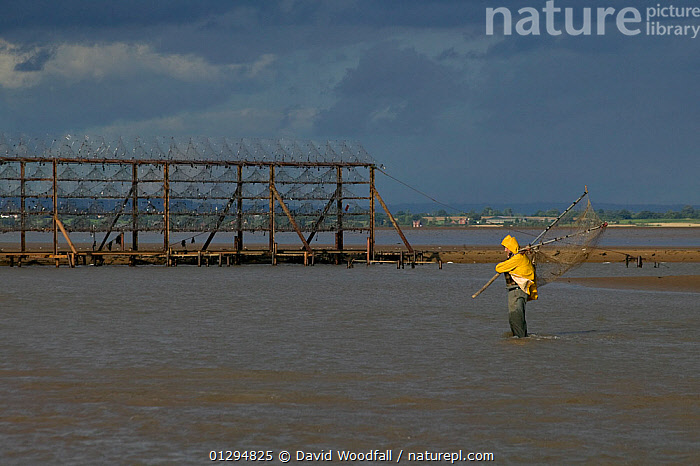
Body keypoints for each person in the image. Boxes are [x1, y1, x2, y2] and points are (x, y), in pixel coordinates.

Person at [495, 235, 538, 338]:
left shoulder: (518, 258)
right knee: (514, 318)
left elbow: (498, 268)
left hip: (517, 291)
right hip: (516, 291)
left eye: (506, 247)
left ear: (511, 247)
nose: (505, 250)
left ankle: (521, 339)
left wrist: (509, 259)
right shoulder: (518, 257)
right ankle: (519, 338)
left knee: (516, 317)